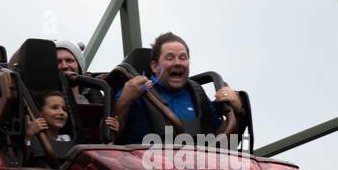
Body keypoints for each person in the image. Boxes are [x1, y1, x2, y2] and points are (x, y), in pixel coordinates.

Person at [104, 32, 244, 145]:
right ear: (155, 66)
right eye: (170, 58)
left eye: (182, 57)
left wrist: (237, 112)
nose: (177, 63)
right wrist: (124, 101)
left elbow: (224, 143)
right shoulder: (136, 91)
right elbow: (108, 137)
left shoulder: (198, 95)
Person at [24, 91, 73, 163]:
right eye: (54, 108)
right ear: (40, 113)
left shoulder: (67, 139)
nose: (61, 112)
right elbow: (25, 160)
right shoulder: (31, 138)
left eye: (64, 109)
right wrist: (29, 135)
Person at [55, 38, 104, 105]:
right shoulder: (41, 104)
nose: (64, 66)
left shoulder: (97, 101)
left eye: (69, 60)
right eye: (58, 62)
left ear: (79, 65)